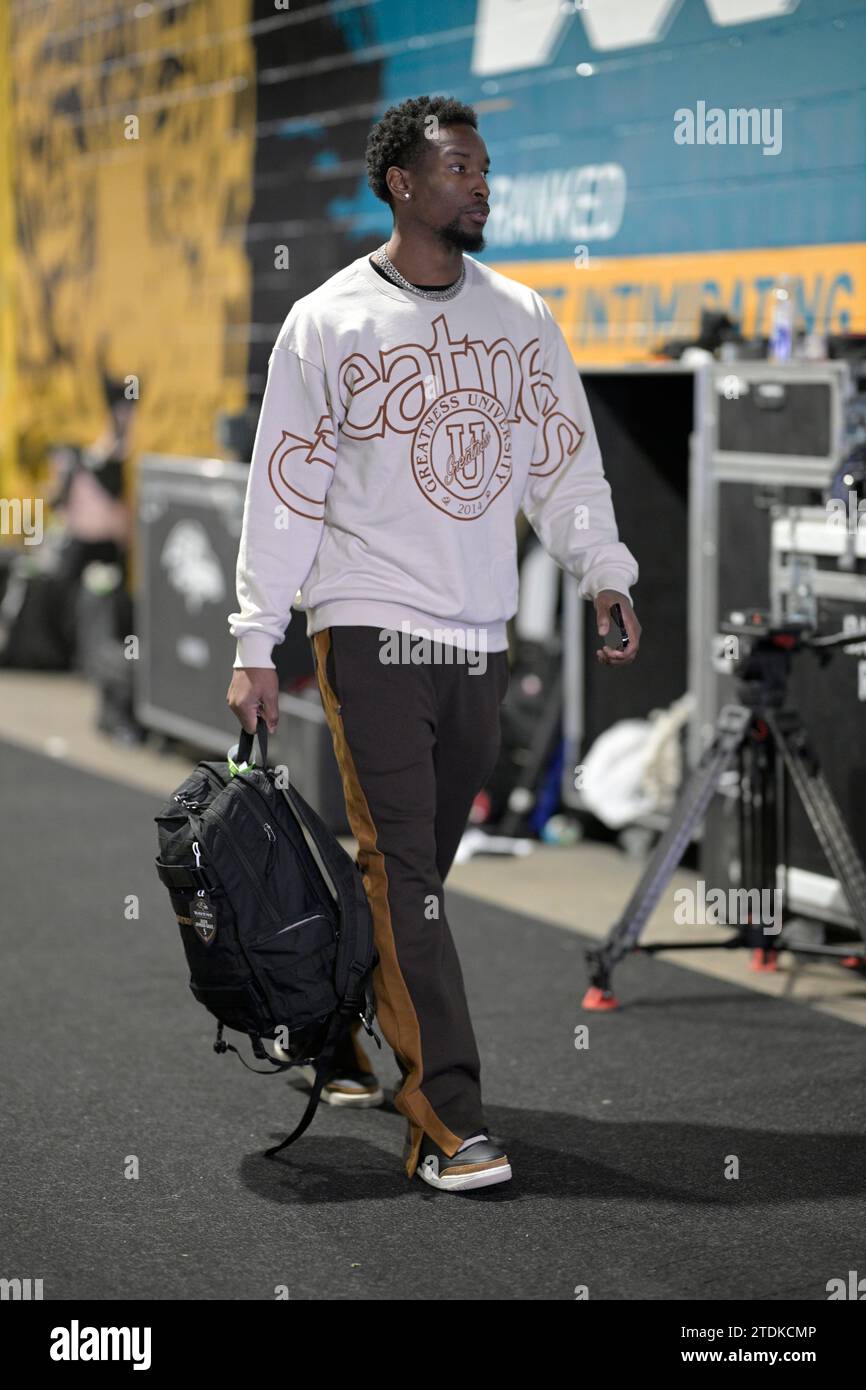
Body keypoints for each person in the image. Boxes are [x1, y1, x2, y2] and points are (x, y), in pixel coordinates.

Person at [227, 95, 641, 1194]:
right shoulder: (328, 323)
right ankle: (443, 1116)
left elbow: (563, 467)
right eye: (459, 167)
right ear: (400, 184)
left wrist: (601, 569)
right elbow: (284, 491)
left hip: (475, 638)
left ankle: (329, 1023)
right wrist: (256, 637)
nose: (481, 184)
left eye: (486, 168)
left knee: (412, 876)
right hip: (364, 626)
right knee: (408, 873)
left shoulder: (523, 318)